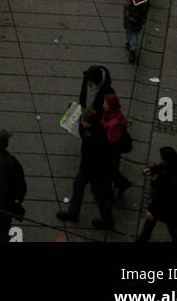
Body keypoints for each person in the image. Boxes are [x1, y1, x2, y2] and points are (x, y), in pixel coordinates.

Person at [56, 103, 115, 231]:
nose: (81, 122)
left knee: (99, 196)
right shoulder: (94, 129)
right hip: (87, 168)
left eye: (82, 120)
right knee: (79, 187)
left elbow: (95, 155)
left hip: (94, 171)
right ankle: (73, 213)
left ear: (88, 122)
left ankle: (107, 220)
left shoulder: (93, 138)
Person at [136, 147, 177, 243]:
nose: (160, 158)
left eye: (161, 157)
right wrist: (153, 170)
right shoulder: (176, 165)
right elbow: (162, 166)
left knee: (151, 224)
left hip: (163, 206)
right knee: (172, 227)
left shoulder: (166, 178)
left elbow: (161, 196)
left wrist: (152, 210)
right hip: (171, 207)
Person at [101, 92, 132, 196]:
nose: (103, 105)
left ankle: (114, 188)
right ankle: (121, 184)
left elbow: (110, 140)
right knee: (111, 170)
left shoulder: (114, 123)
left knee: (109, 171)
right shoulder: (113, 114)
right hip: (112, 151)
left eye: (105, 103)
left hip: (111, 152)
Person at [123, 0, 149, 64]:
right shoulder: (127, 6)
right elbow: (125, 14)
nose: (127, 0)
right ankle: (128, 42)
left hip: (135, 27)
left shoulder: (140, 9)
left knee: (134, 39)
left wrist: (140, 21)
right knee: (128, 34)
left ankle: (132, 50)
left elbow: (143, 16)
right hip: (128, 25)